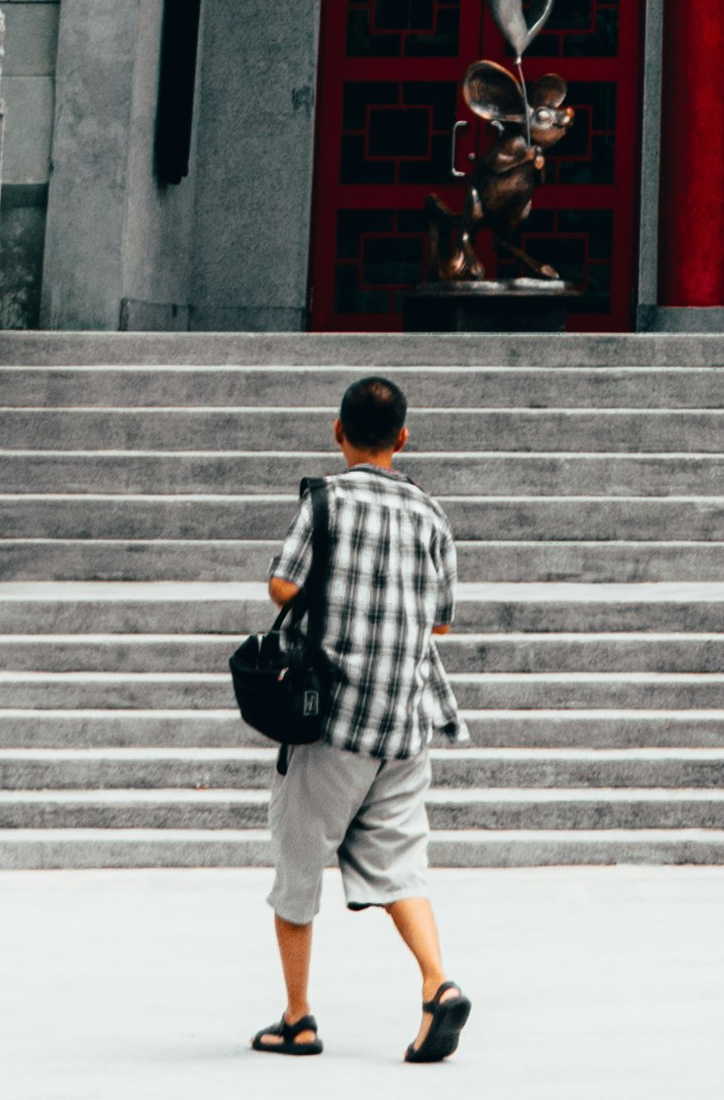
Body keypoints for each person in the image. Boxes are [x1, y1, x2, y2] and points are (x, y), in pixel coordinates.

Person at [253, 372, 467, 1062]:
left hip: (331, 718)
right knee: (401, 862)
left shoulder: (326, 500)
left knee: (299, 863)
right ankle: (438, 984)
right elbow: (439, 625)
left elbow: (283, 584)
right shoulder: (431, 514)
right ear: (402, 438)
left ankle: (297, 1017)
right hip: (405, 720)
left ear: (338, 432)